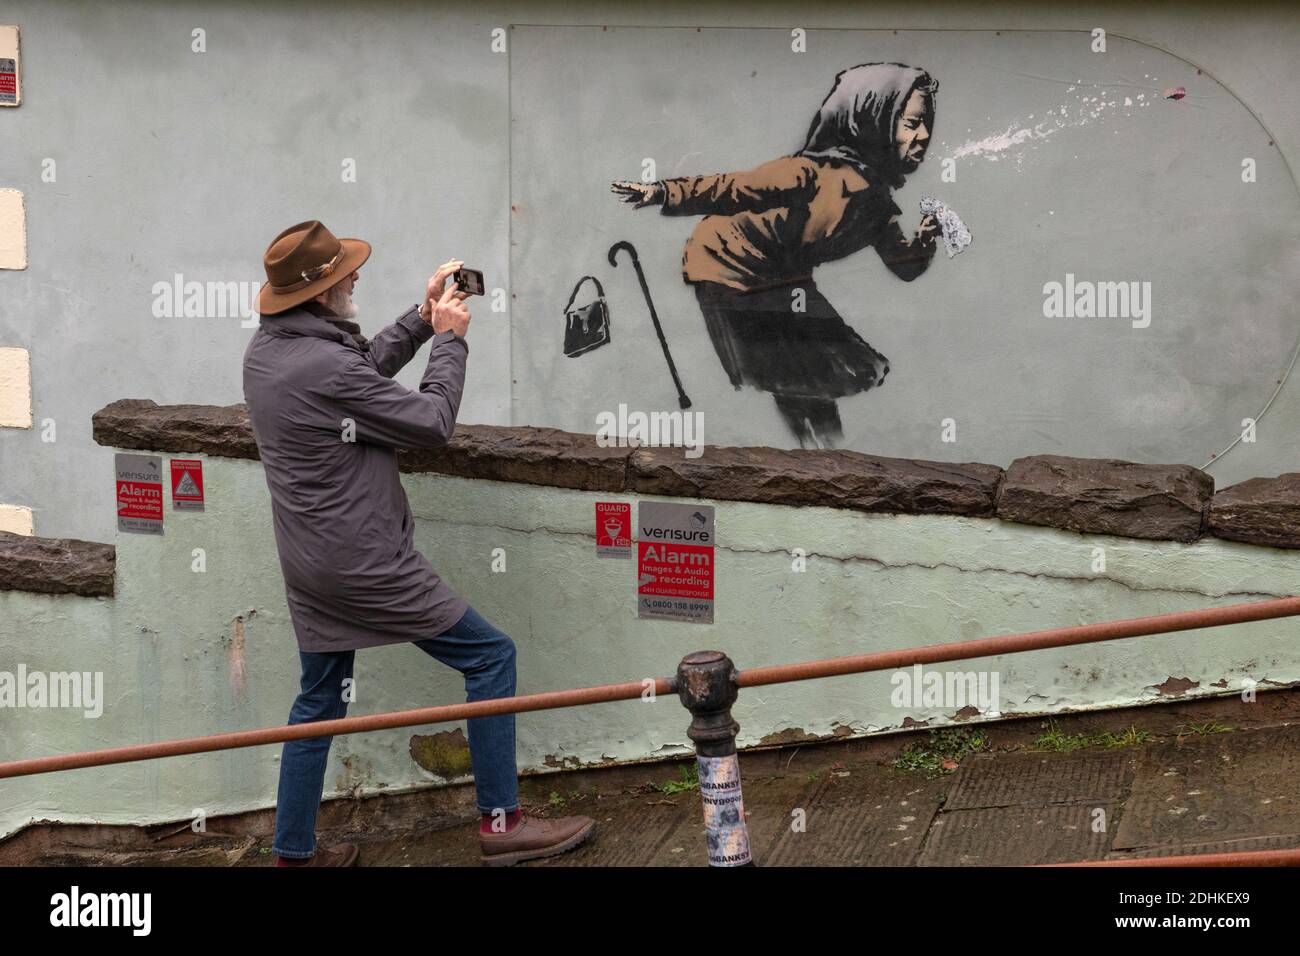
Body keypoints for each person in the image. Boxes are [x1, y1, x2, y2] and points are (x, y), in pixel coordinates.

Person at [242, 220, 595, 866]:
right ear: (320, 294)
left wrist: (422, 314)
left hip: (309, 562)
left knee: (318, 700)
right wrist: (451, 342)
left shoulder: (268, 353)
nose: (355, 277)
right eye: (346, 274)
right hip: (365, 563)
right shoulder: (321, 362)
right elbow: (431, 423)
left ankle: (293, 855)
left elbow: (356, 375)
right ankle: (501, 823)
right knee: (492, 657)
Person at [612, 62, 942, 449]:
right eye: (911, 123)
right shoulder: (810, 172)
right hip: (730, 268)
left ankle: (820, 461)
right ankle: (816, 460)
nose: (922, 137)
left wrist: (924, 241)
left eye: (926, 127)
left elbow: (902, 266)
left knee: (818, 375)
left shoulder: (877, 204)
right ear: (873, 117)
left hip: (785, 280)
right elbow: (733, 188)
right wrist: (662, 192)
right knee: (807, 370)